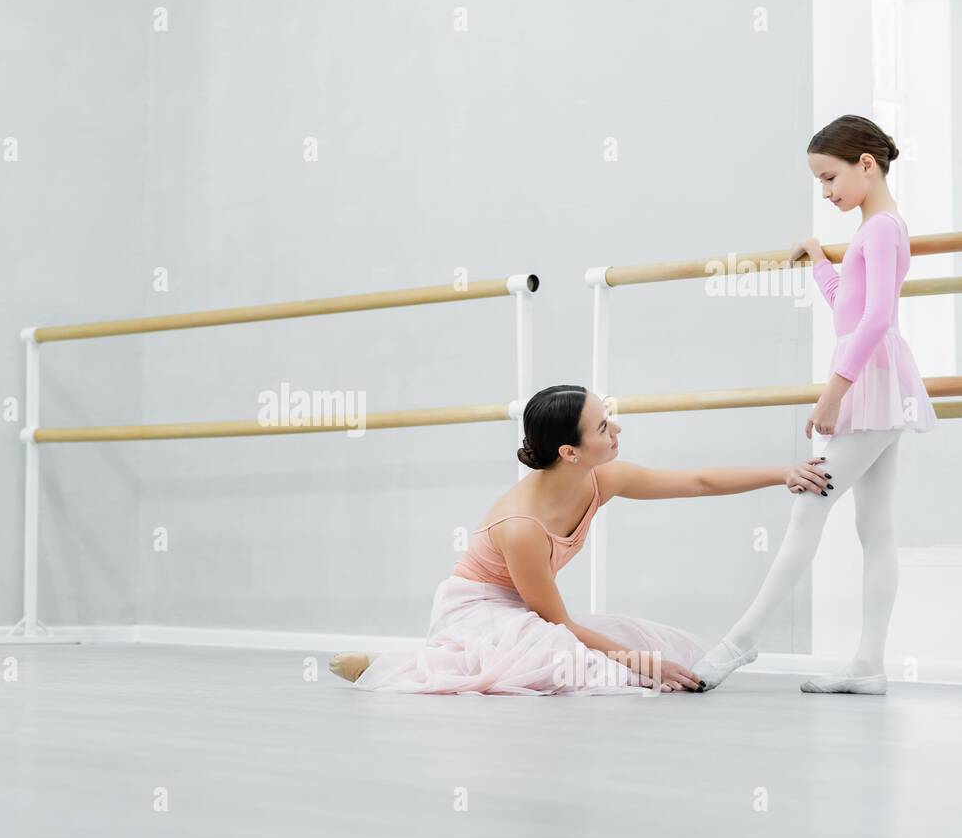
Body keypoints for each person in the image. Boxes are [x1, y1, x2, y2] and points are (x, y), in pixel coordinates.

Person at [330, 386, 833, 696]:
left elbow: (697, 480)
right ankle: (395, 667)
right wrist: (643, 667)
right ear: (570, 451)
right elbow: (558, 622)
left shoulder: (602, 478)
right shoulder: (521, 526)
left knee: (637, 642)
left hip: (526, 609)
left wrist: (783, 473)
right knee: (562, 659)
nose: (616, 428)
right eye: (602, 425)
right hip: (478, 609)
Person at [693, 114, 935, 695]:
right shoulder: (876, 229)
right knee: (874, 527)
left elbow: (877, 318)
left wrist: (834, 392)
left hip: (867, 382)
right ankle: (868, 665)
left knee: (809, 503)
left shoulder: (881, 230)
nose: (826, 192)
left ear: (866, 165)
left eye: (830, 178)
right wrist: (823, 262)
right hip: (876, 379)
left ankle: (741, 641)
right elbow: (850, 310)